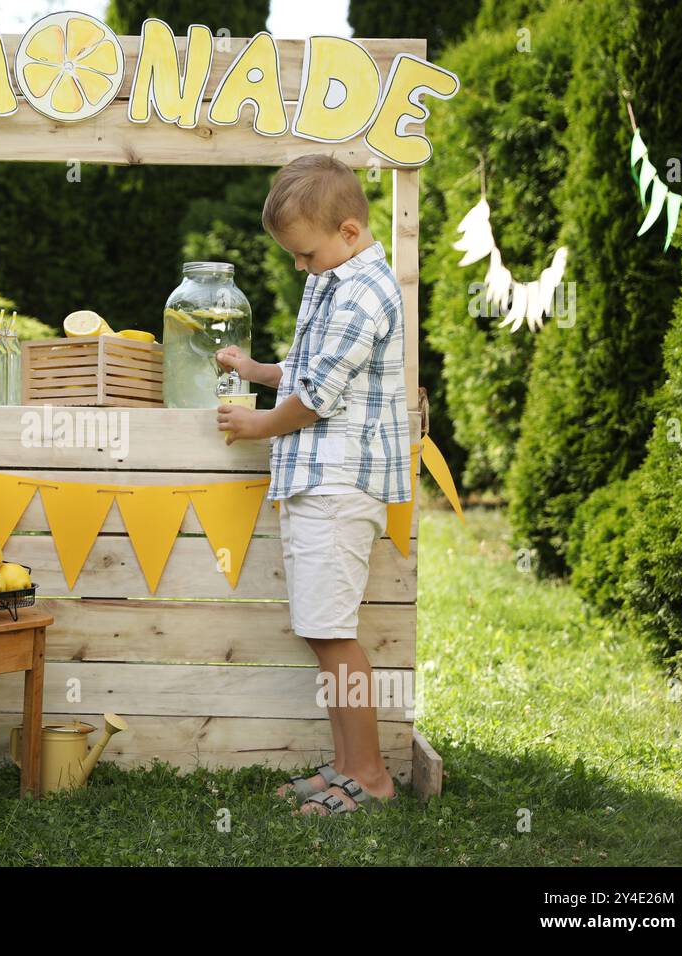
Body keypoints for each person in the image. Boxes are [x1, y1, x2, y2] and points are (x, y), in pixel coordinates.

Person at [215, 153, 412, 816]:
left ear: (351, 232)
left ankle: (374, 776)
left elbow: (318, 396)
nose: (300, 266)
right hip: (316, 484)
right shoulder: (336, 279)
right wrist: (255, 367)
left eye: (305, 254)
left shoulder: (364, 291)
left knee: (334, 635)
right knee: (323, 632)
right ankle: (349, 765)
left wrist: (257, 424)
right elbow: (306, 369)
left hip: (339, 484)